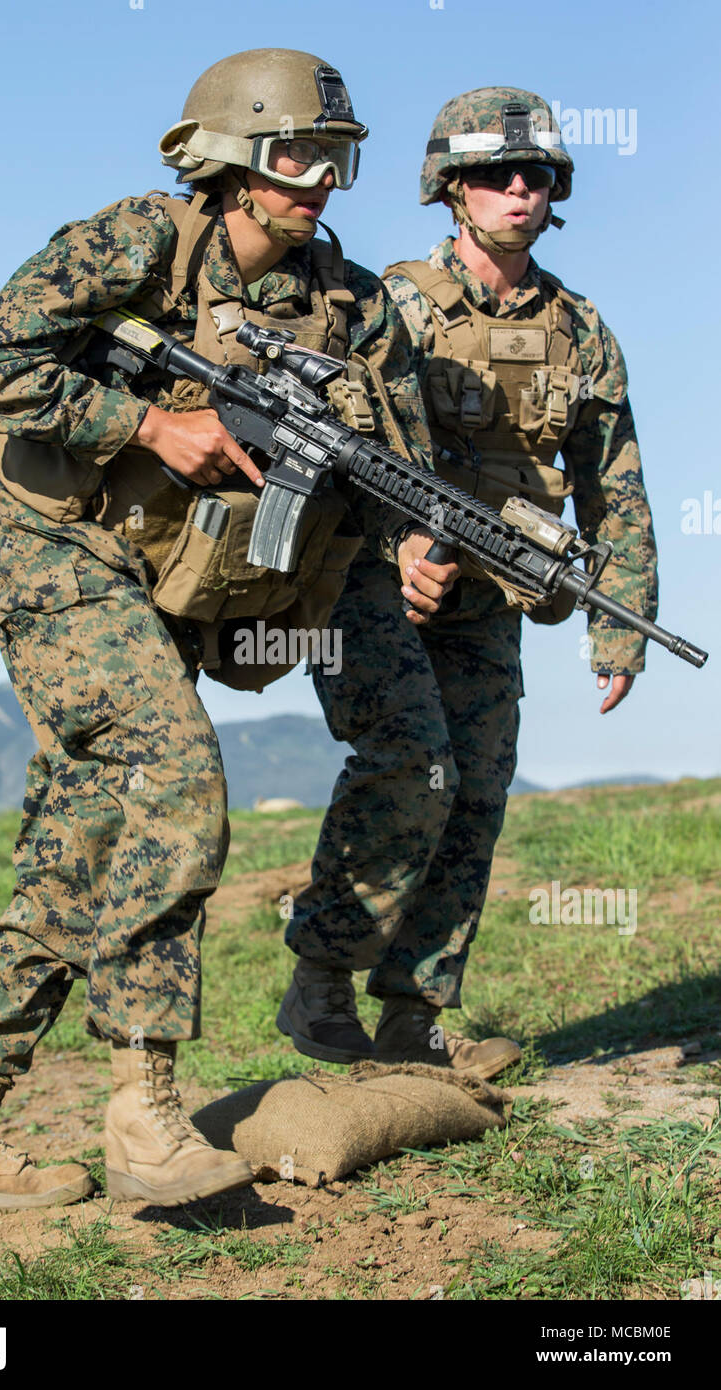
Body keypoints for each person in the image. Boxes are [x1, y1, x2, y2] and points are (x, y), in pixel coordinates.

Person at [0, 48, 441, 1215]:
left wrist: (418, 536)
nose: (315, 178)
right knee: (171, 775)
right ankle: (145, 1114)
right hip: (65, 562)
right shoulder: (136, 242)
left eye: (334, 157)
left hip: (191, 587)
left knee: (80, 840)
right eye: (292, 153)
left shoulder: (346, 301)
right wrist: (144, 421)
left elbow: (393, 459)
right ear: (229, 159)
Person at [277, 88, 658, 1078]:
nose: (518, 190)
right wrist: (395, 544)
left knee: (473, 791)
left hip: (492, 601)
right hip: (368, 586)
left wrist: (621, 629)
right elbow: (321, 440)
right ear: (450, 188)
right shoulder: (386, 303)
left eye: (536, 175)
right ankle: (319, 974)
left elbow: (610, 484)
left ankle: (415, 1015)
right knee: (407, 764)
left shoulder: (578, 330)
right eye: (495, 173)